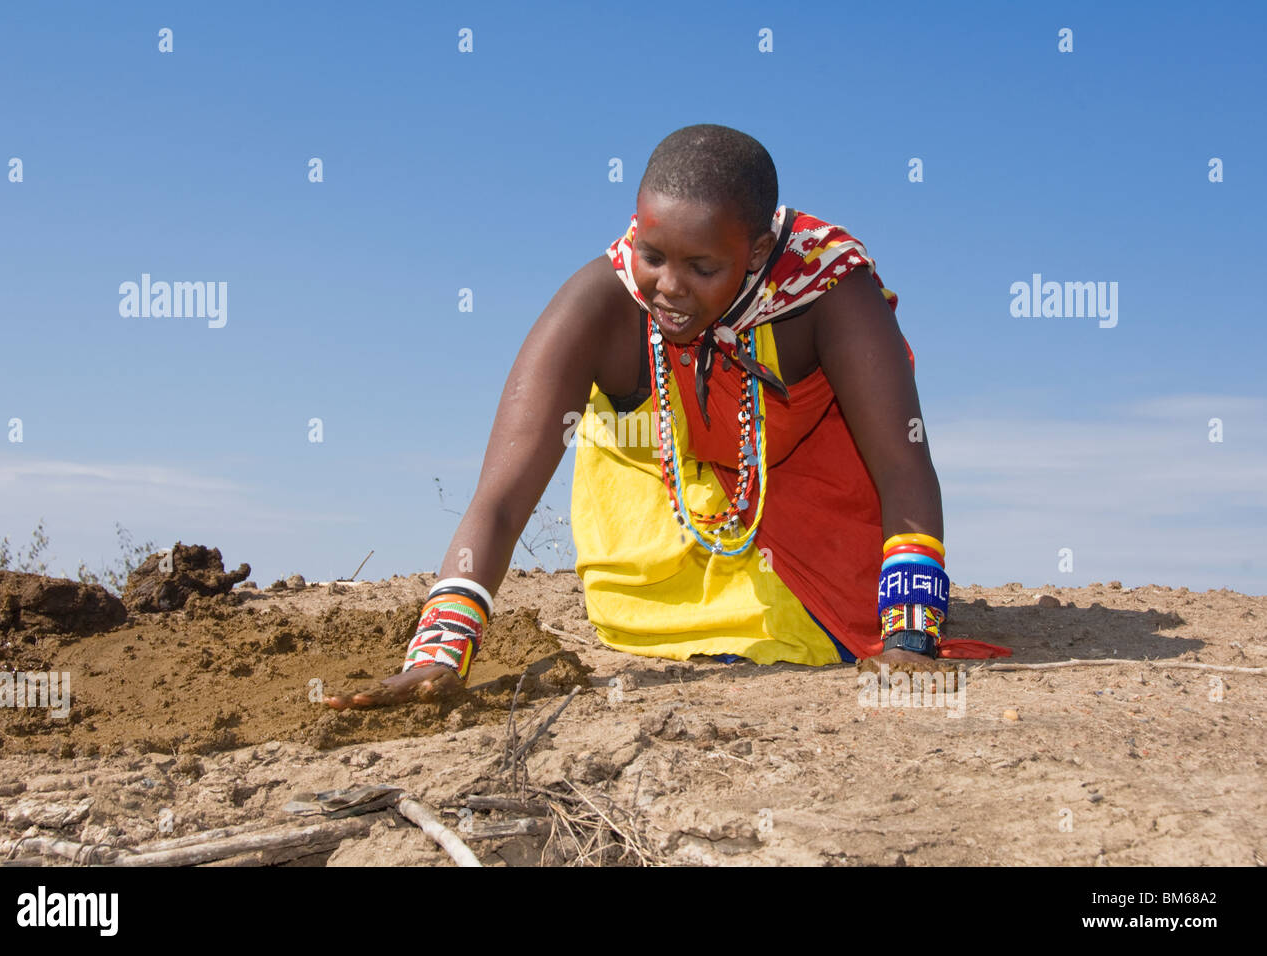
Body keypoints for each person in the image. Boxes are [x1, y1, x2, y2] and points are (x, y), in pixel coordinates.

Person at [326, 124, 1008, 711]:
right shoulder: (600, 302)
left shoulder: (829, 289)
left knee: (843, 624)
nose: (668, 288)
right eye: (652, 255)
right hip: (665, 529)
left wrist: (910, 642)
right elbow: (502, 498)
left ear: (759, 252)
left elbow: (902, 464)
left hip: (817, 508)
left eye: (703, 266)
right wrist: (439, 654)